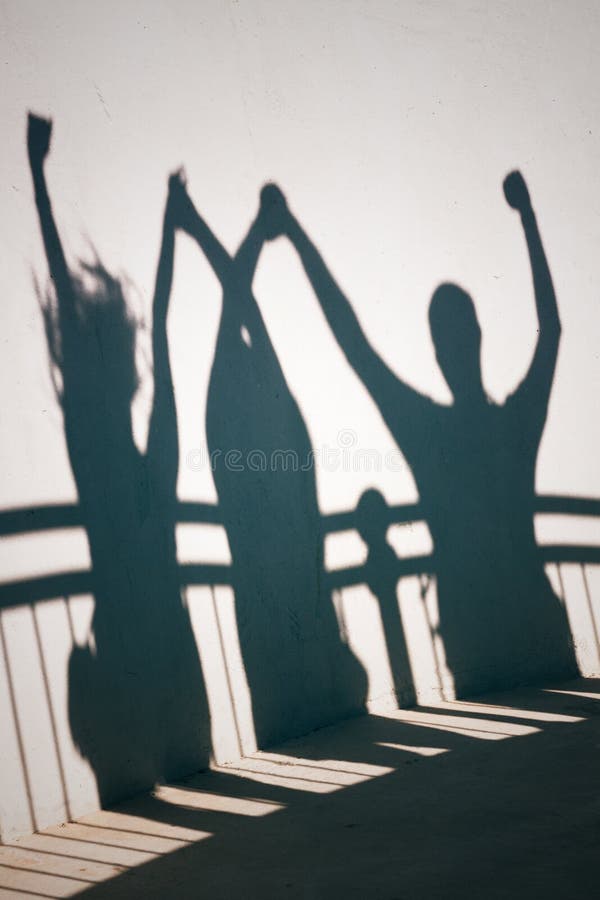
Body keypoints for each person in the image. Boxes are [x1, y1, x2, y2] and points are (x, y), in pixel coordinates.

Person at [263, 173, 576, 696]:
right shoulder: (514, 422)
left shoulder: (429, 432)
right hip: (533, 627)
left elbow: (354, 344)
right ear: (478, 335)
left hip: (476, 643)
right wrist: (527, 217)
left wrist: (295, 233)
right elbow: (553, 327)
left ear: (441, 351)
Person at [28, 114, 211, 804]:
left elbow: (98, 325)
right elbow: (159, 326)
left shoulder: (95, 455)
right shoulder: (153, 459)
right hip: (175, 654)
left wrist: (41, 180)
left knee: (140, 821)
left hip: (131, 663)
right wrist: (171, 224)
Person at [168, 176, 368, 746]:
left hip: (261, 600)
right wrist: (255, 226)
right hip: (291, 589)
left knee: (282, 729)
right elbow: (243, 300)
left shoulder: (226, 424)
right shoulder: (277, 416)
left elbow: (238, 299)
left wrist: (227, 227)